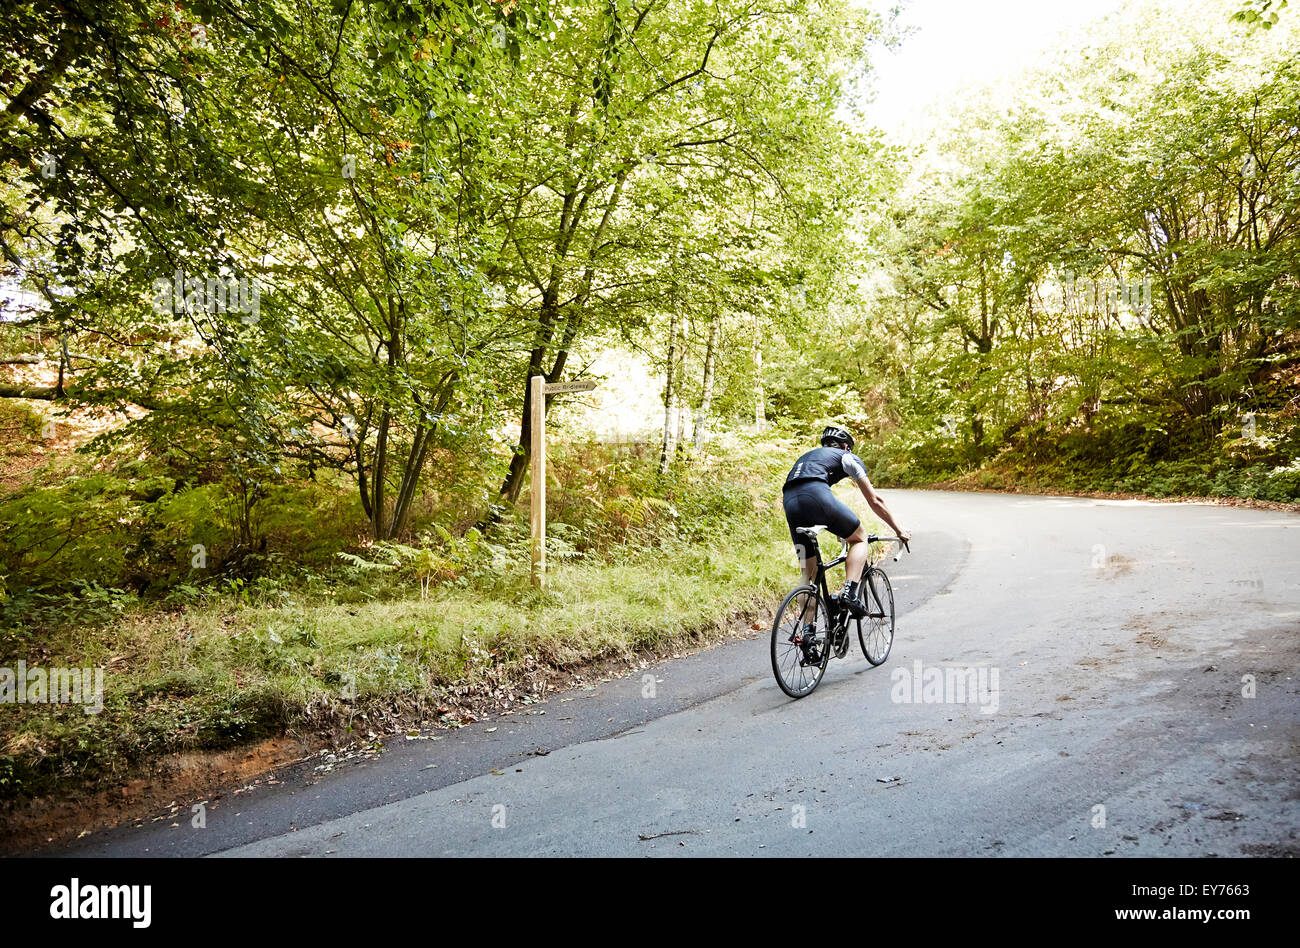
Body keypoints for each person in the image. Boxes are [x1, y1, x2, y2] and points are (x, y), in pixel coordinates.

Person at [782, 425, 911, 619]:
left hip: (790, 501)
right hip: (816, 495)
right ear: (845, 447)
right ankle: (849, 592)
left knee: (808, 576)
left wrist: (838, 528)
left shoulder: (808, 457)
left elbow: (808, 495)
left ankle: (807, 637)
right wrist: (898, 530)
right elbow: (875, 500)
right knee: (859, 538)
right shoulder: (847, 457)